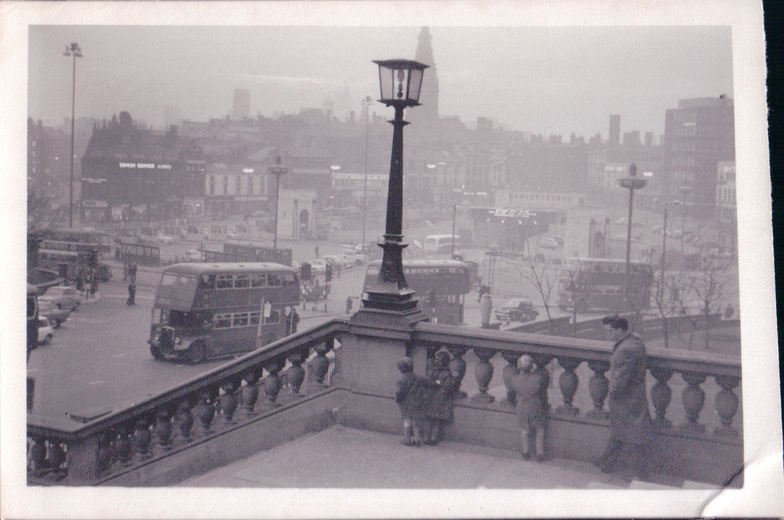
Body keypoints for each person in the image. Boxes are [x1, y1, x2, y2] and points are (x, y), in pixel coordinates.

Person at [593, 315, 652, 479]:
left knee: (632, 436)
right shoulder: (635, 341)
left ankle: (637, 473)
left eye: (609, 331)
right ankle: (608, 462)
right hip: (633, 397)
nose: (607, 335)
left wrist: (608, 400)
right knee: (622, 432)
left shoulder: (626, 350)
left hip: (625, 399)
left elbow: (619, 381)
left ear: (620, 330)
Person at [511, 355, 547, 461]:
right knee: (539, 429)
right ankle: (540, 453)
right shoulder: (537, 379)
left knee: (524, 430)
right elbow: (543, 395)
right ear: (531, 366)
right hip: (534, 406)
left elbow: (511, 395)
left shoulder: (515, 379)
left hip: (521, 407)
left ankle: (526, 452)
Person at [424, 347, 459, 446]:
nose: (438, 362)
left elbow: (446, 386)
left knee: (435, 421)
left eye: (440, 360)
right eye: (437, 360)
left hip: (437, 398)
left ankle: (432, 437)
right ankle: (430, 437)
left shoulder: (441, 373)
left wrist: (436, 383)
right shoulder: (441, 372)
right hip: (435, 398)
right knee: (432, 420)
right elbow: (429, 382)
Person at [395, 357, 427, 447]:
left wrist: (397, 399)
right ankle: (417, 440)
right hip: (417, 402)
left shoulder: (401, 380)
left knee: (407, 421)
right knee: (416, 422)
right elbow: (428, 382)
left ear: (401, 369)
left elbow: (399, 392)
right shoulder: (418, 377)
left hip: (406, 403)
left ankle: (407, 439)